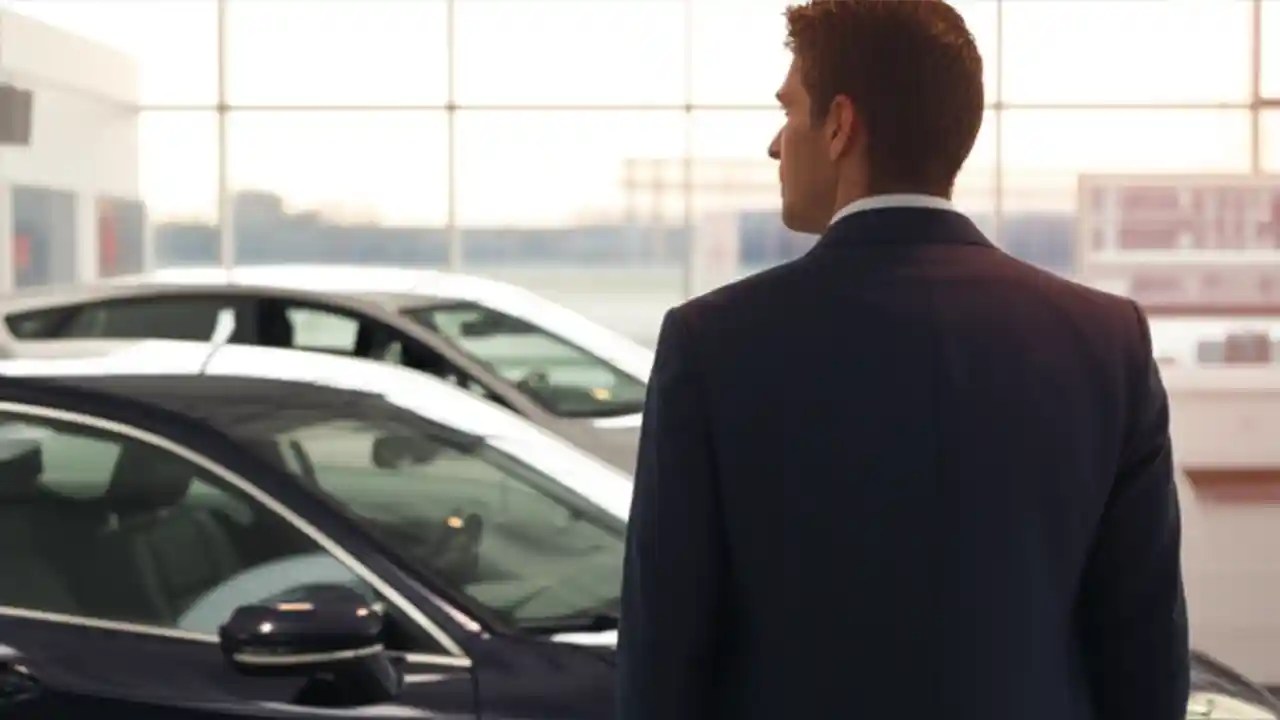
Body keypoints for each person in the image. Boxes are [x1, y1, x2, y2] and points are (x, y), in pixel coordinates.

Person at [616, 1, 1189, 719]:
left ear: (839, 126)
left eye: (790, 110)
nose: (774, 144)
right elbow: (1146, 664)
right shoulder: (1106, 344)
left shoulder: (712, 345)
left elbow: (662, 663)